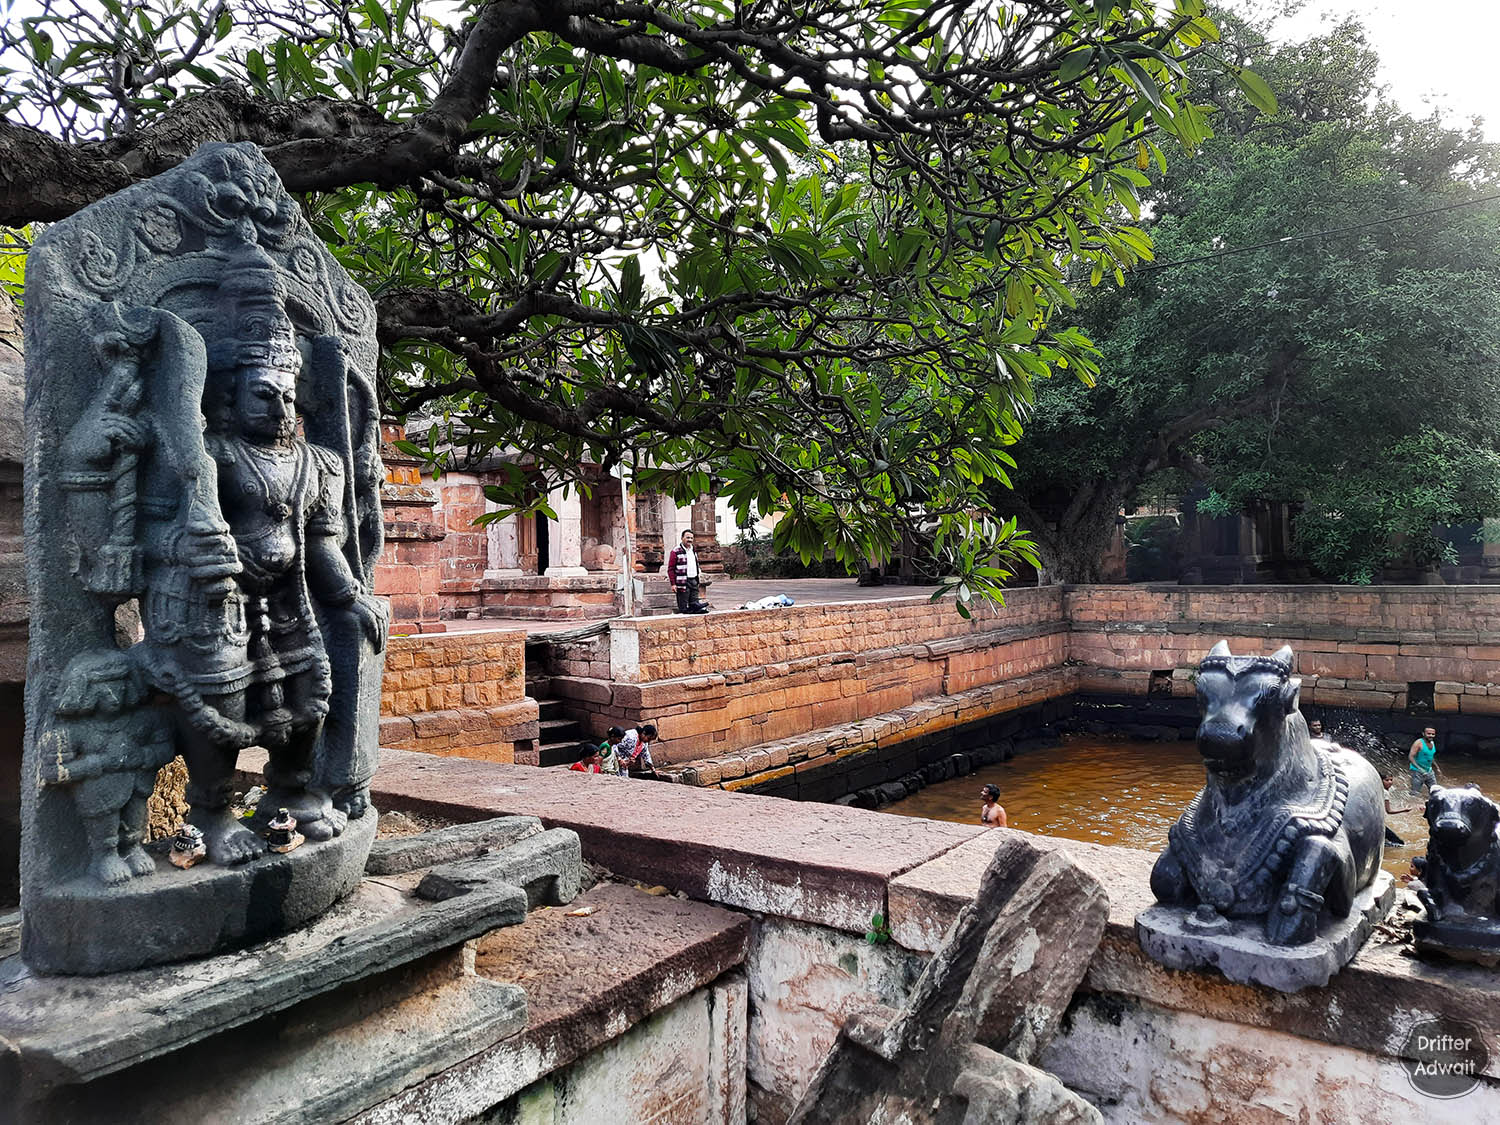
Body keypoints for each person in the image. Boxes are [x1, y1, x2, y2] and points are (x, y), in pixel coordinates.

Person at [667, 530, 709, 614]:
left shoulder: (693, 550)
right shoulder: (675, 551)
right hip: (682, 582)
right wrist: (673, 584)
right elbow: (671, 569)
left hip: (693, 579)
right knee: (683, 607)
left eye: (691, 538)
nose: (689, 540)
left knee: (694, 604)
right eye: (687, 537)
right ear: (682, 538)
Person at [1409, 726, 1439, 795]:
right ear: (1423, 734)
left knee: (1435, 791)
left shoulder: (1432, 743)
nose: (1431, 735)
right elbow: (1411, 756)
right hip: (1417, 772)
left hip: (1429, 771)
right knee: (1415, 793)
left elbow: (1430, 756)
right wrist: (1419, 769)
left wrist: (1437, 767)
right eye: (1428, 733)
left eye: (1433, 734)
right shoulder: (1418, 743)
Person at [1380, 774, 1406, 846]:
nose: (1390, 782)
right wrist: (1404, 810)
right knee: (1400, 843)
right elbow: (1389, 811)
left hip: (1376, 821)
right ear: (1381, 781)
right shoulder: (1385, 792)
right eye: (1387, 780)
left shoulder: (1379, 789)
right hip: (1378, 823)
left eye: (1391, 780)